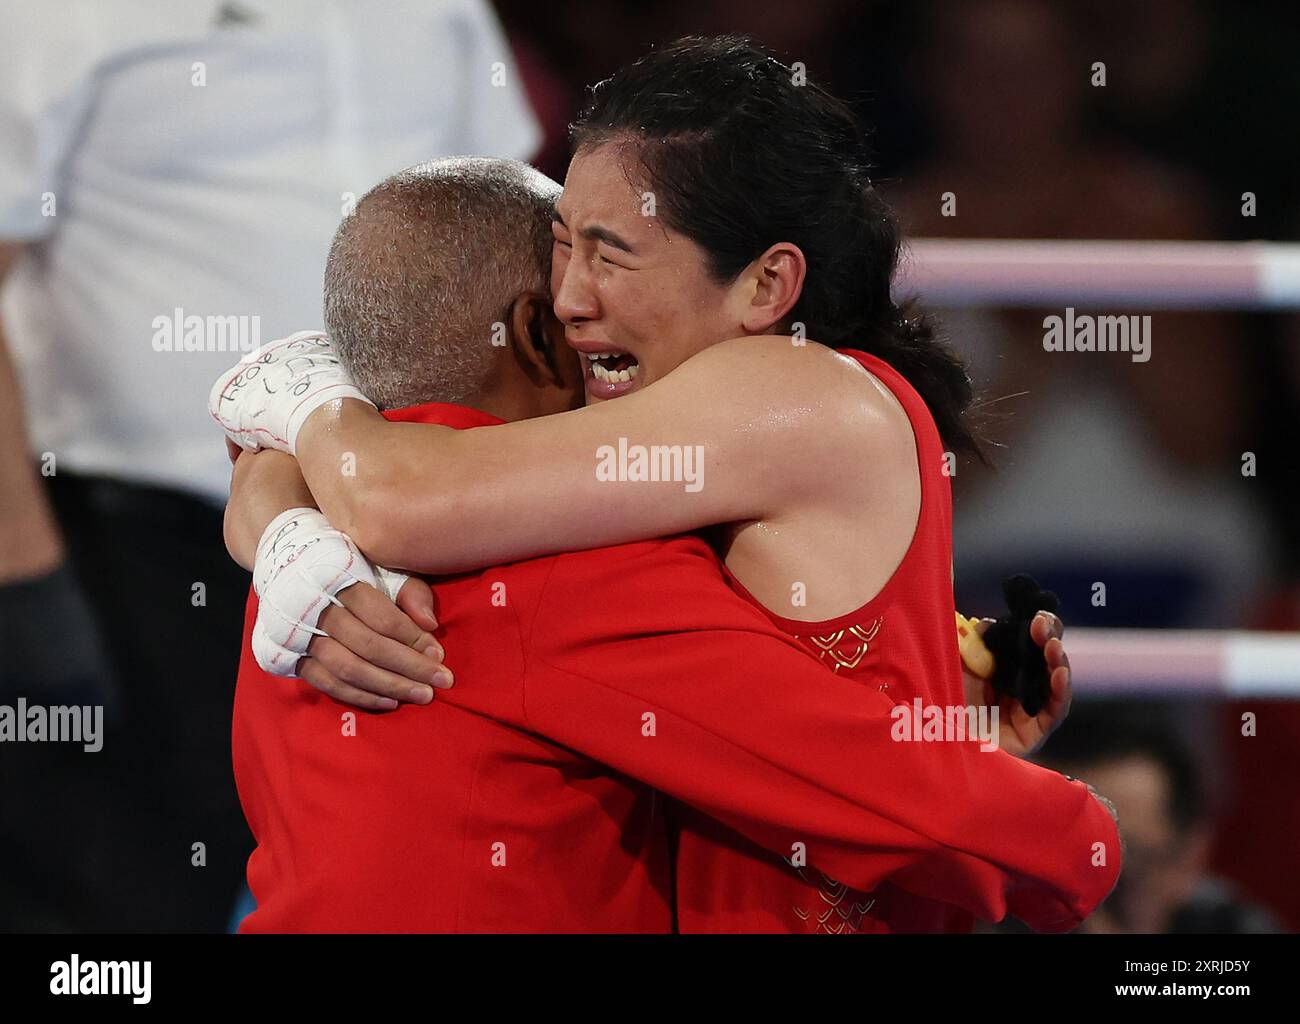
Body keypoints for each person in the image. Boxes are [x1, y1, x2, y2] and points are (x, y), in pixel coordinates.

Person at [225, 156, 1119, 932]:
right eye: (577, 286)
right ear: (541, 334)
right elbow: (887, 795)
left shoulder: (300, 533)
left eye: (610, 261)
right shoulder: (555, 562)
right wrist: (1088, 843)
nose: (594, 308)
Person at [0, 0, 539, 931]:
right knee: (116, 906)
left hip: (400, 536)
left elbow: (516, 233)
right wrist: (21, 575)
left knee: (377, 889)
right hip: (121, 539)